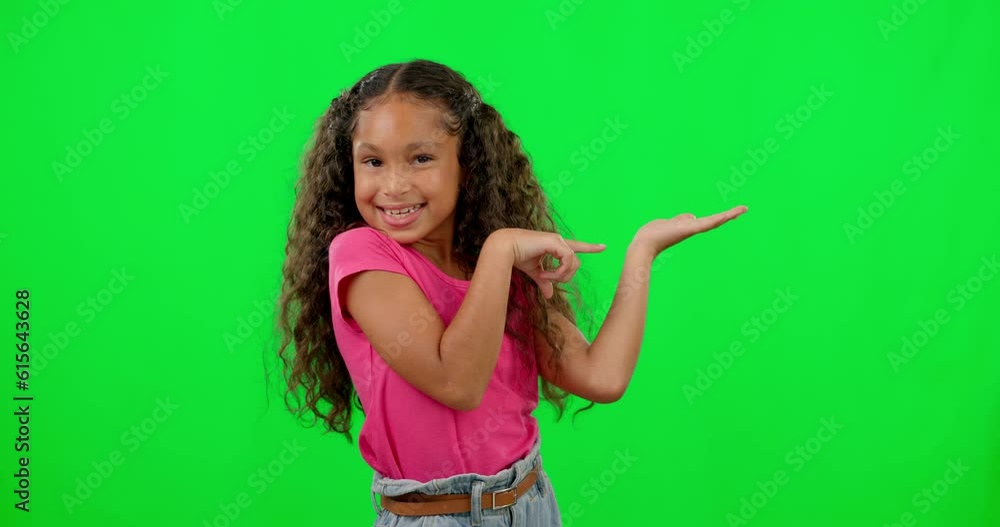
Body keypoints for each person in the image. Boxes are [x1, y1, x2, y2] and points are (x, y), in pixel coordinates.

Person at [277, 58, 747, 526]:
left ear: (468, 164)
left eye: (421, 158)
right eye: (373, 161)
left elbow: (600, 377)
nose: (394, 186)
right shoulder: (361, 255)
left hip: (531, 503)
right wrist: (502, 252)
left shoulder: (495, 265)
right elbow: (455, 383)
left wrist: (642, 253)